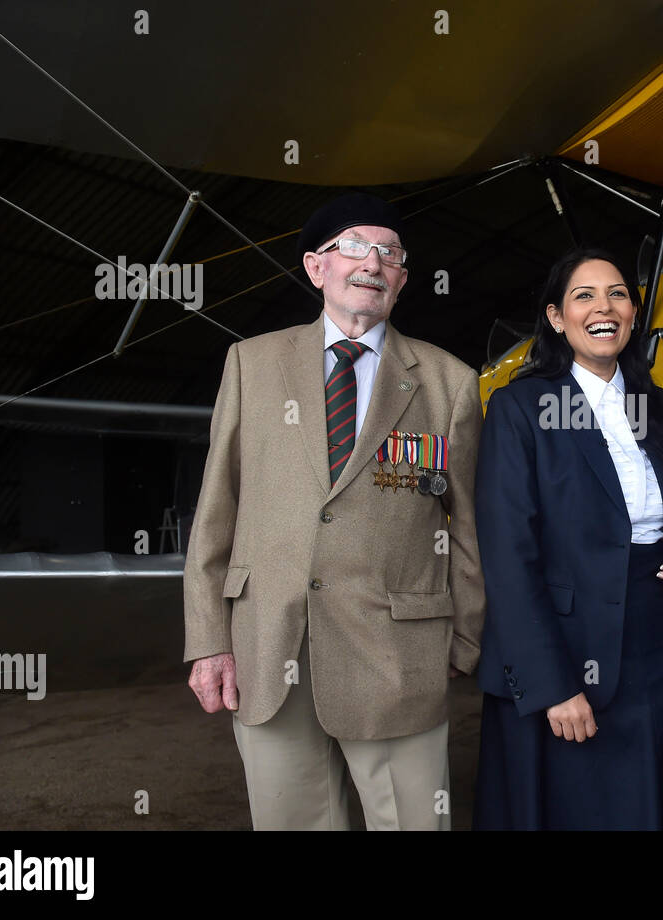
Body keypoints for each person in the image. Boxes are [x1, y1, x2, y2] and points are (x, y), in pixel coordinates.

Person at [182, 193, 485, 830]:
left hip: (398, 654)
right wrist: (208, 639)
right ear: (316, 267)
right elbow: (217, 511)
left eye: (390, 254)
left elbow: (468, 526)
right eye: (354, 246)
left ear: (402, 279)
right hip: (270, 645)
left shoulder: (449, 382)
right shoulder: (251, 364)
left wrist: (466, 632)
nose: (372, 262)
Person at [473, 249, 663, 830]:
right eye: (583, 295)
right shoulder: (520, 408)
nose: (603, 306)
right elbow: (509, 556)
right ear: (557, 319)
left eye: (617, 293)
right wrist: (551, 685)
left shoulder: (651, 404)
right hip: (569, 646)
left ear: (633, 314)